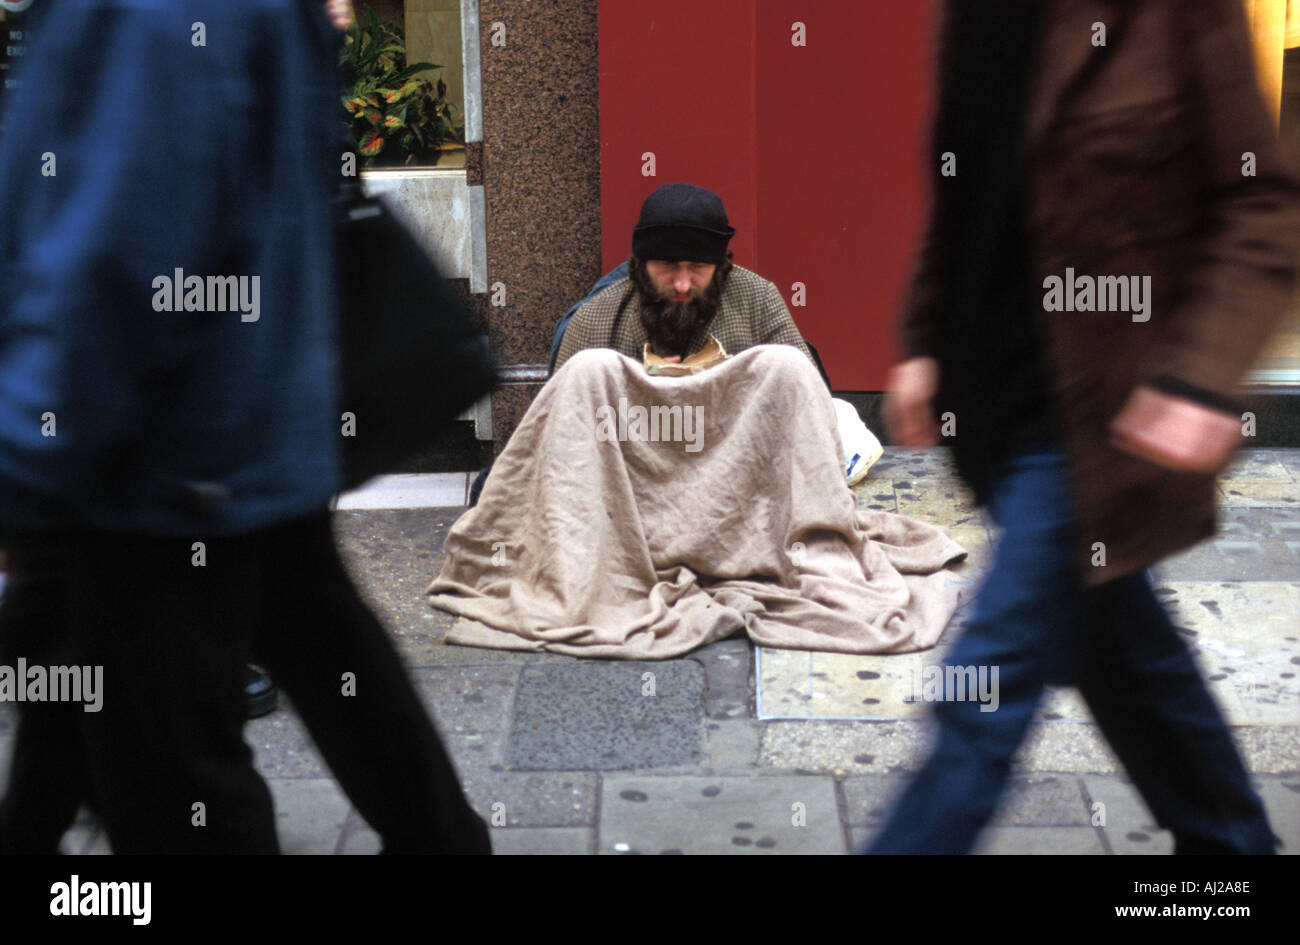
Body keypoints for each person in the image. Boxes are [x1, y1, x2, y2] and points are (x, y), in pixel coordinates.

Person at [0, 0, 487, 853]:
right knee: (314, 651)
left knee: (174, 786)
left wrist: (26, 452)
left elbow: (120, 259)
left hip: (158, 458)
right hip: (244, 427)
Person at [869, 0, 1300, 854]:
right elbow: (969, 187)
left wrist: (1199, 376)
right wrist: (926, 341)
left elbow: (1262, 201)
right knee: (1129, 660)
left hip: (1097, 420)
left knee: (979, 696)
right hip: (995, 410)